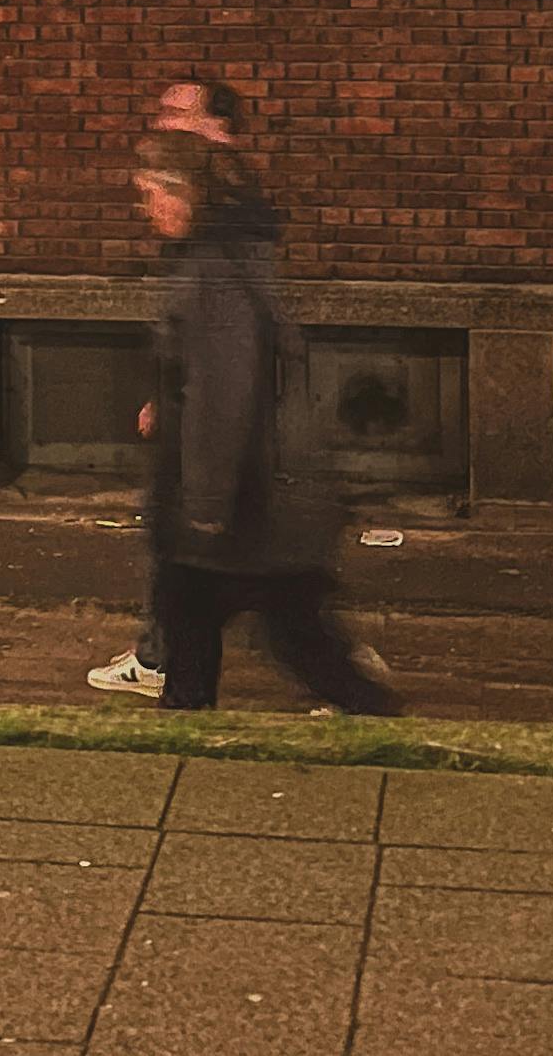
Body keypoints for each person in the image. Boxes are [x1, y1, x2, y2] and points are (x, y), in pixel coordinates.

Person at [135, 132, 399, 716]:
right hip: (258, 499)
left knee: (283, 634)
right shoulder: (229, 258)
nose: (146, 207)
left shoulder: (212, 274)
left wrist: (205, 505)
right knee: (237, 626)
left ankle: (376, 716)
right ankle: (186, 729)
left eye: (151, 192)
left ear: (182, 195)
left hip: (248, 505)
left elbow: (222, 394)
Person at [87, 81, 250, 699]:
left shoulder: (225, 217)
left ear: (216, 126)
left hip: (213, 416)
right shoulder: (212, 214)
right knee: (191, 553)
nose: (164, 124)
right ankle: (168, 658)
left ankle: (166, 660)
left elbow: (219, 337)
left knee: (203, 549)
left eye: (179, 114)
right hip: (198, 405)